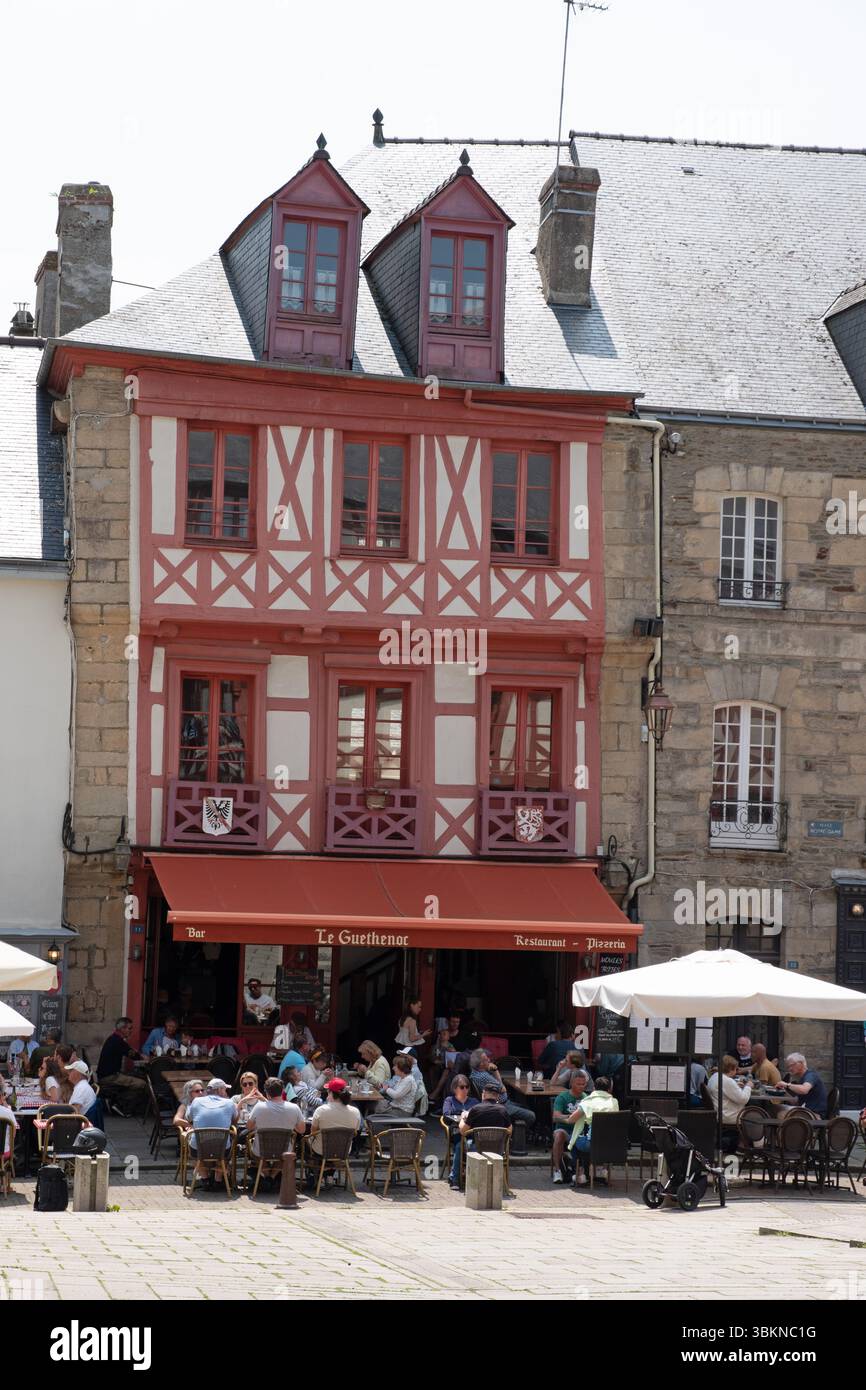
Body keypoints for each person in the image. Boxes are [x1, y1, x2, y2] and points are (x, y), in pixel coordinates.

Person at [454, 1083, 512, 1191]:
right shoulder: (503, 1110)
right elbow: (509, 1131)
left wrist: (462, 1119)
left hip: (477, 1149)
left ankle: (456, 1180)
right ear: (497, 1096)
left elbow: (463, 1131)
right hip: (498, 1150)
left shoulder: (476, 1109)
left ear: (484, 1094)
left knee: (459, 1145)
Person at [568, 1075, 619, 1185]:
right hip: (610, 1146)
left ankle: (580, 1174)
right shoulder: (614, 1102)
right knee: (588, 1141)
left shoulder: (587, 1102)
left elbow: (571, 1120)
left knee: (574, 1137)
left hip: (591, 1145)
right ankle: (601, 1171)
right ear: (609, 1089)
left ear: (594, 1089)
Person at [468, 1049, 535, 1131]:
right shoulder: (484, 1076)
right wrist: (496, 1071)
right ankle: (515, 1135)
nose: (489, 1060)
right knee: (531, 1115)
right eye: (486, 1059)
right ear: (481, 1064)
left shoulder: (475, 1073)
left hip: (501, 1103)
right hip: (502, 1105)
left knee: (526, 1106)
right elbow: (503, 1089)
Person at [186, 1077, 238, 1181]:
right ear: (219, 1090)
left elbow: (188, 1118)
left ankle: (205, 1179)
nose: (226, 1091)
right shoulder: (229, 1103)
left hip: (198, 1149)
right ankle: (218, 1180)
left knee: (193, 1144)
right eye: (224, 1089)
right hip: (222, 1150)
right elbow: (235, 1119)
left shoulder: (196, 1101)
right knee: (229, 1144)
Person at [246, 1077, 305, 1168]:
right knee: (283, 1153)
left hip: (261, 1150)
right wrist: (291, 1124)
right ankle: (273, 1176)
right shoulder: (294, 1108)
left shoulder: (259, 1107)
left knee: (258, 1153)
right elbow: (302, 1130)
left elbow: (249, 1127)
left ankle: (267, 1176)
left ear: (267, 1092)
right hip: (284, 1151)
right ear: (282, 1091)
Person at [96, 1017, 148, 1117]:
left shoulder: (114, 1038)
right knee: (142, 1084)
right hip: (110, 1077)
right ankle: (121, 1105)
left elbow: (129, 1050)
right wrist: (145, 1057)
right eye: (129, 1028)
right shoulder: (117, 1041)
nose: (131, 1031)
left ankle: (119, 1102)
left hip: (108, 1074)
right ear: (122, 1029)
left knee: (138, 1076)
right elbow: (134, 1055)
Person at [308, 1077, 362, 1157]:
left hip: (321, 1150)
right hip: (344, 1150)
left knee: (305, 1141)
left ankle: (318, 1167)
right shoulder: (355, 1112)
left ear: (330, 1093)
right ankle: (332, 1165)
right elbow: (355, 1133)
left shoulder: (321, 1110)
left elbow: (313, 1132)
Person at [708, 1055, 752, 1150]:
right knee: (754, 1114)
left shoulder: (715, 1076)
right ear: (731, 1068)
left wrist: (735, 1085)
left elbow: (725, 1090)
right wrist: (748, 1086)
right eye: (735, 1069)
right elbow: (743, 1099)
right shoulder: (727, 1081)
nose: (736, 1072)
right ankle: (750, 1146)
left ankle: (743, 1144)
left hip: (720, 1112)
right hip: (728, 1115)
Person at [552, 1072, 589, 1182]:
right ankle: (557, 1171)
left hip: (580, 1131)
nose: (581, 1087)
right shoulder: (562, 1097)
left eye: (583, 1084)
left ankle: (583, 1171)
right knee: (558, 1136)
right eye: (578, 1084)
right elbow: (556, 1117)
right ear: (572, 1083)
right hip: (564, 1129)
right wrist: (571, 1117)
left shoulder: (586, 1098)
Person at [65, 1060, 102, 1126]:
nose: (68, 1072)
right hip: (84, 1123)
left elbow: (75, 1113)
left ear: (77, 1073)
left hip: (79, 1126)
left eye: (71, 1070)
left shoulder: (81, 1088)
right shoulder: (82, 1086)